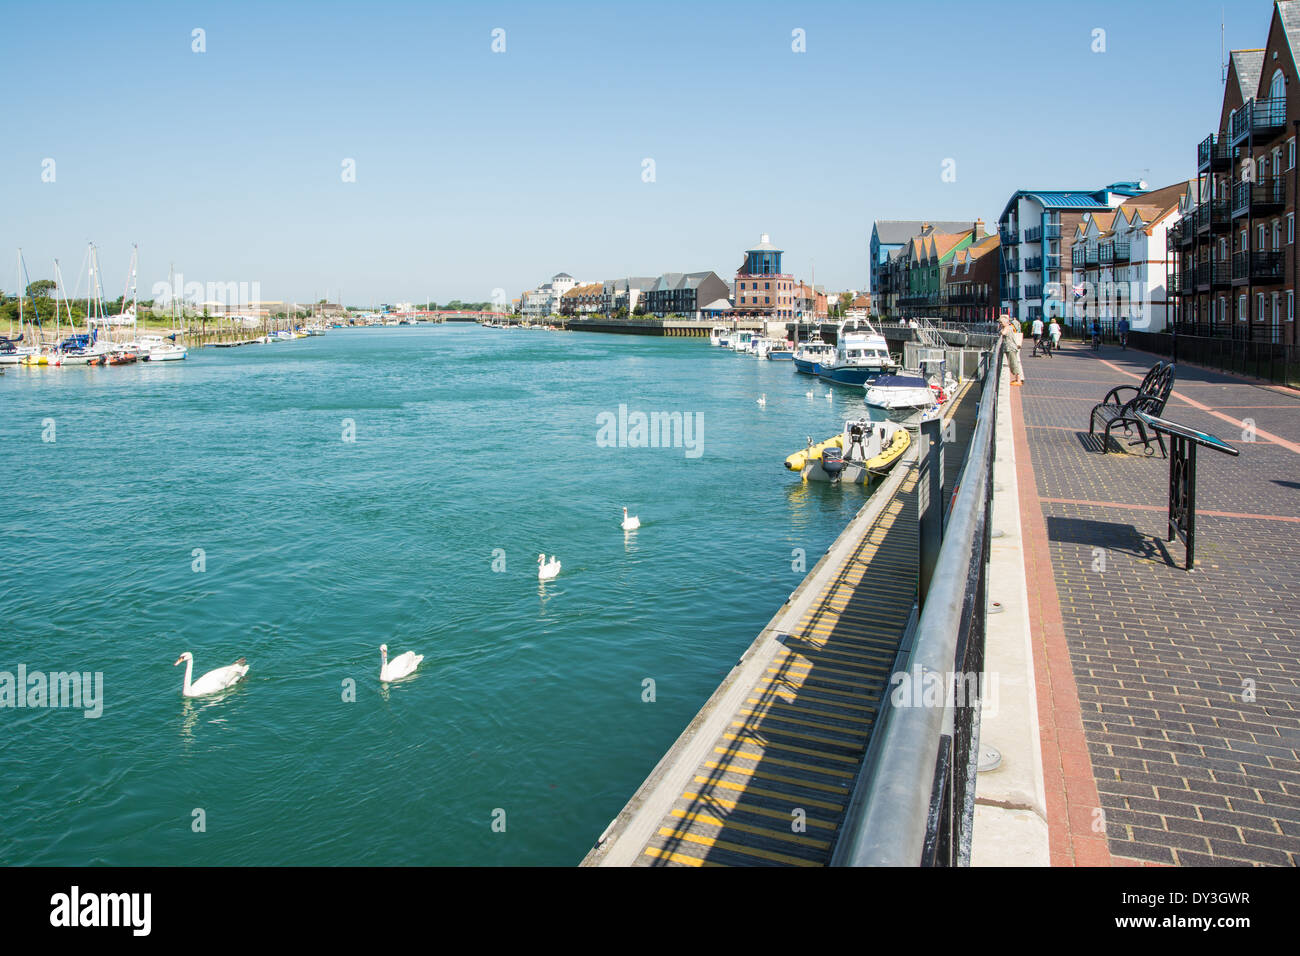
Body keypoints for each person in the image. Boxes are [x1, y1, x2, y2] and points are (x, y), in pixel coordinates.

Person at [998, 313, 1024, 385]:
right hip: (1010, 347)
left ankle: (1018, 380)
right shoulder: (1010, 327)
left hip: (1010, 348)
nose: (1000, 324)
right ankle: (1017, 379)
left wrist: (1001, 330)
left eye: (1001, 322)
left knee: (1013, 363)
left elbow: (1003, 333)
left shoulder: (1007, 327)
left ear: (1005, 322)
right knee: (1013, 363)